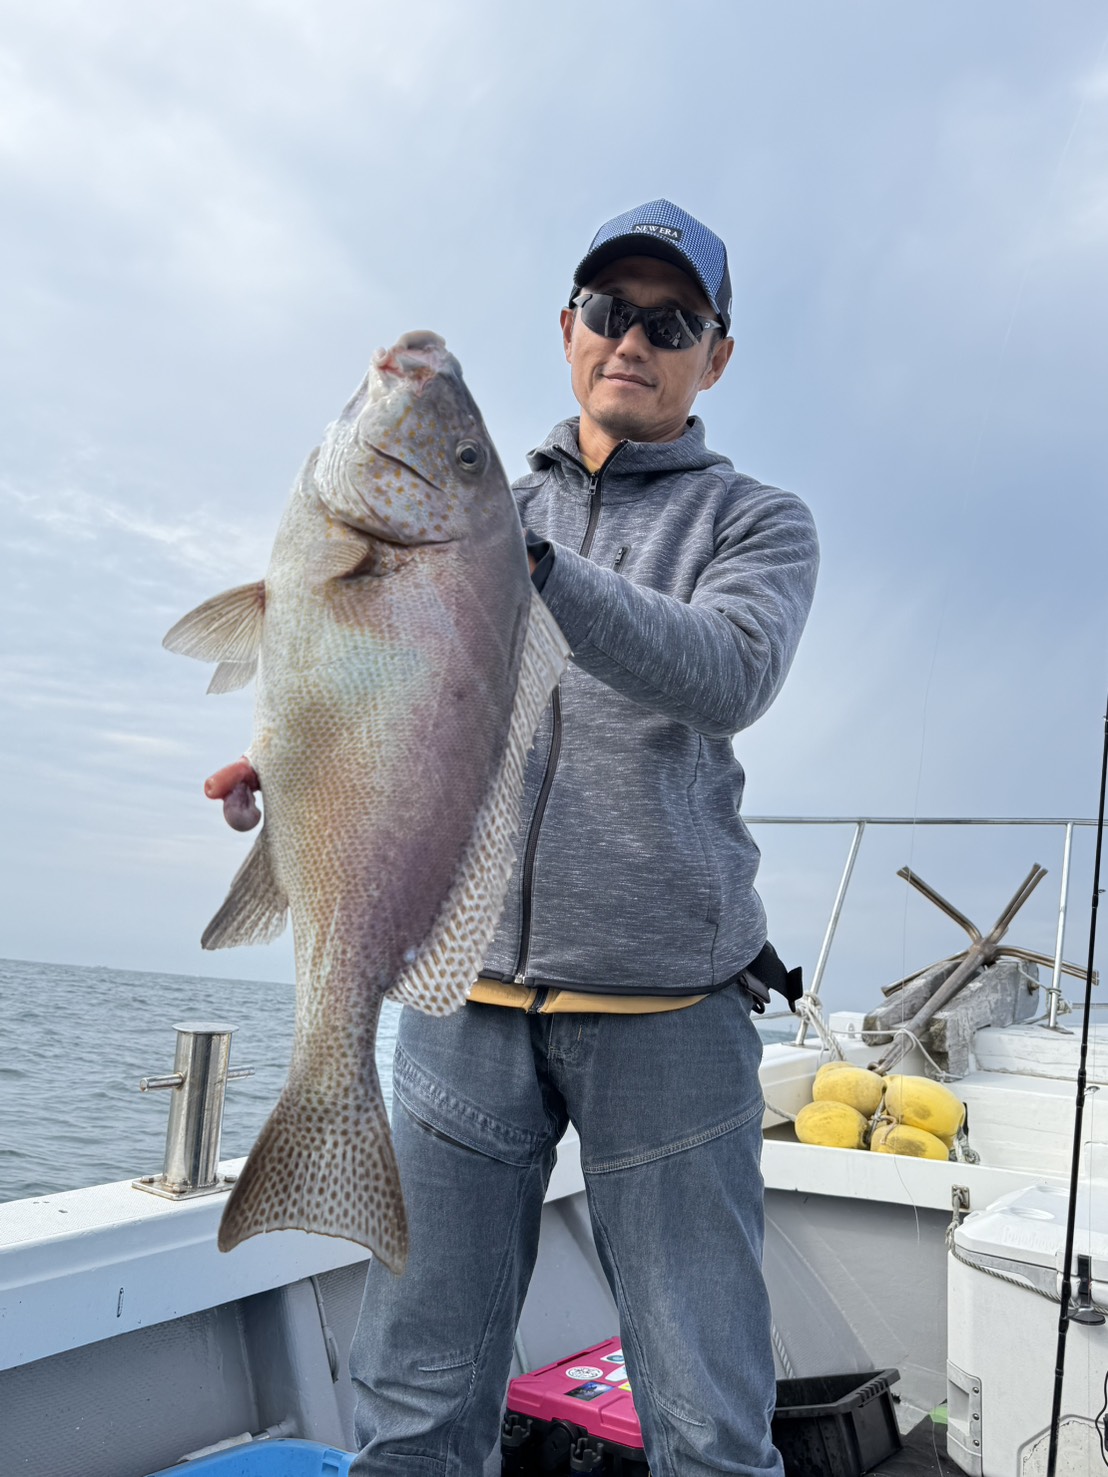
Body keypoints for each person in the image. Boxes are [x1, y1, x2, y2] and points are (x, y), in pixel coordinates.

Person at [207, 200, 818, 1477]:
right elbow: (392, 695)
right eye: (608, 311)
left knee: (708, 1417)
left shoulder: (753, 521)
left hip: (669, 1014)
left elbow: (731, 670)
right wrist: (298, 761)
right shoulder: (491, 499)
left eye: (671, 321)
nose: (631, 340)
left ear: (716, 354)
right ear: (566, 329)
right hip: (457, 999)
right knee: (413, 1404)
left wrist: (519, 560)